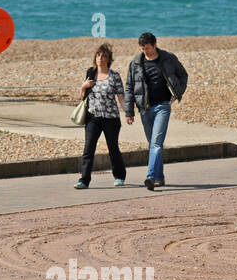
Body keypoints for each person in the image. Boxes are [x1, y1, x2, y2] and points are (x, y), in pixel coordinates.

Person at [124, 32, 188, 191]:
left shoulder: (168, 58)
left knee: (156, 143)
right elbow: (130, 88)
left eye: (147, 48)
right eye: (142, 49)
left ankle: (151, 176)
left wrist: (177, 93)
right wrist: (129, 112)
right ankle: (160, 177)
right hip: (145, 109)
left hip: (163, 107)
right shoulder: (136, 63)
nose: (145, 51)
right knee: (152, 144)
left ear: (154, 45)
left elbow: (183, 75)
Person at [74, 43, 127, 189]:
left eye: (104, 56)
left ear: (109, 59)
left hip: (111, 118)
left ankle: (119, 176)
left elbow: (121, 96)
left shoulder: (114, 75)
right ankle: (84, 180)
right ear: (95, 58)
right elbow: (83, 96)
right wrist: (84, 86)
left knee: (113, 148)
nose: (100, 58)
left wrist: (128, 113)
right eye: (98, 55)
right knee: (88, 149)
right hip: (93, 118)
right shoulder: (90, 73)